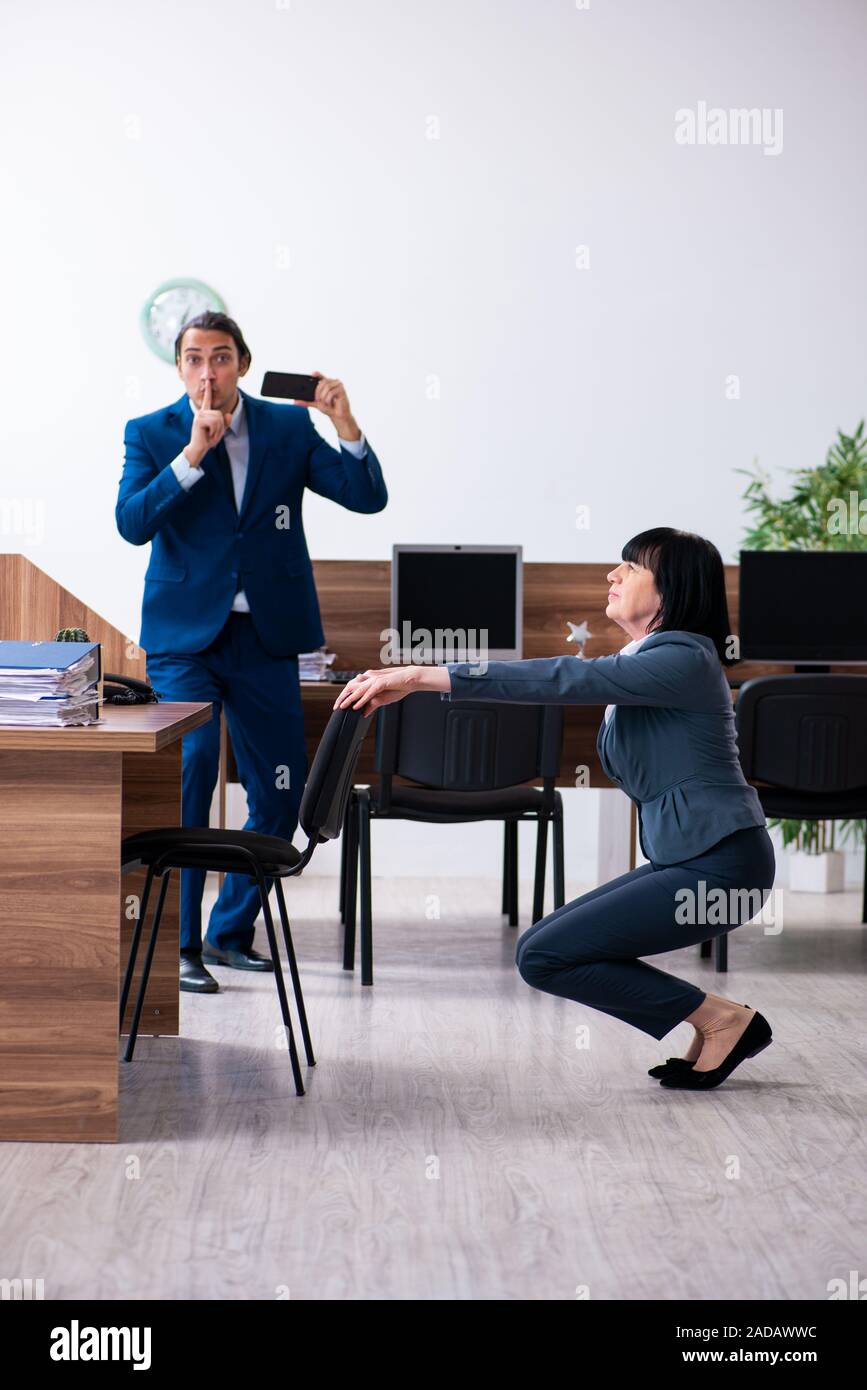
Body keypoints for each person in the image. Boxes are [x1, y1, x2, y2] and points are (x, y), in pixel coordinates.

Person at [333, 527, 776, 1090]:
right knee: (538, 950)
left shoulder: (685, 656)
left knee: (546, 956)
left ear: (671, 590)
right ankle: (718, 1019)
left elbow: (568, 676)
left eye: (630, 567)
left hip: (721, 868)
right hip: (688, 860)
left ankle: (720, 1020)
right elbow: (582, 680)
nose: (612, 576)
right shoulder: (652, 657)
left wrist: (421, 675)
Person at [117, 311, 387, 993]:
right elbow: (131, 523)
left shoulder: (287, 428)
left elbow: (366, 497)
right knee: (192, 774)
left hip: (268, 636)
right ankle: (178, 948)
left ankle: (229, 932)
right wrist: (192, 456)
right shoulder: (151, 433)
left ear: (241, 362)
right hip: (186, 640)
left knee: (281, 790)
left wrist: (343, 424)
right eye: (194, 359)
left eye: (221, 358)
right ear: (179, 367)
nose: (208, 372)